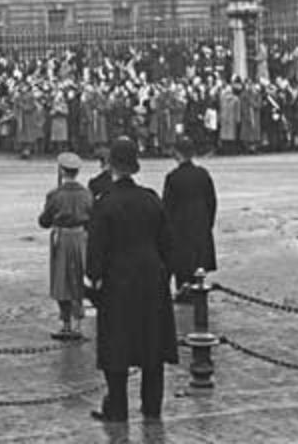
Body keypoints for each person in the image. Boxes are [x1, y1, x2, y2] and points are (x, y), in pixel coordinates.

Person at [87, 136, 177, 423]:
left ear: (112, 165)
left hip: (118, 281)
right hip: (152, 279)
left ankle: (117, 407)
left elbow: (95, 253)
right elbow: (167, 244)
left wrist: (94, 279)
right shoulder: (151, 199)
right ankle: (152, 406)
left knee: (117, 346)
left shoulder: (106, 203)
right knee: (152, 344)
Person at [39, 152, 93, 341]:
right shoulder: (86, 194)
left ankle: (66, 323)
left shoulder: (55, 195)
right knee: (78, 278)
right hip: (80, 237)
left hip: (61, 237)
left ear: (62, 171)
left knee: (61, 280)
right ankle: (78, 322)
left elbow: (44, 221)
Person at [162, 135, 217, 303]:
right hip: (200, 227)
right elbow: (212, 201)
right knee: (199, 266)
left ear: (177, 154)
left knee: (182, 268)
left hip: (180, 230)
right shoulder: (202, 174)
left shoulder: (173, 177)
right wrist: (208, 224)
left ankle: (184, 294)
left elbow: (167, 207)